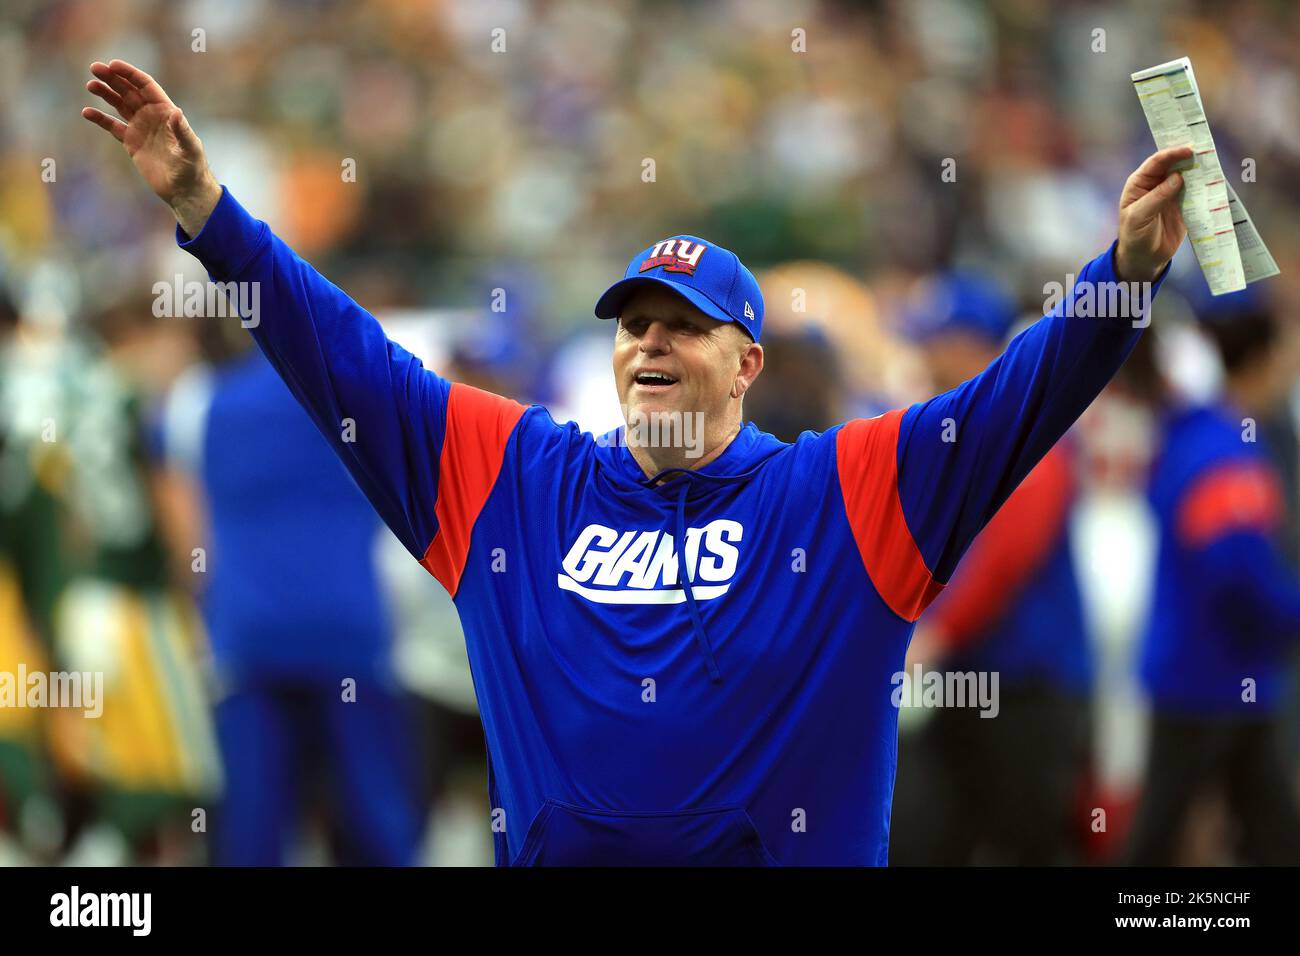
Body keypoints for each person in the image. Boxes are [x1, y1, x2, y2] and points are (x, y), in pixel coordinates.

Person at [83, 58, 1188, 865]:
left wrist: (1122, 276)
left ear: (746, 362)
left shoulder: (839, 494)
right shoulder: (518, 481)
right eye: (633, 324)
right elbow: (345, 359)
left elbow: (1014, 403)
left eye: (684, 326)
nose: (650, 342)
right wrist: (209, 216)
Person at [155, 342, 424, 865]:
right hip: (351, 631)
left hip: (247, 640)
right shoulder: (367, 396)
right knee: (379, 824)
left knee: (253, 831)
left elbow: (189, 538)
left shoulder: (200, 400)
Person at [891, 273, 1092, 865]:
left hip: (1025, 682)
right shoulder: (946, 433)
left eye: (936, 343)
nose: (925, 358)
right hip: (965, 676)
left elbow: (1006, 553)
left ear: (971, 346)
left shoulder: (1028, 424)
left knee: (1026, 839)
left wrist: (935, 635)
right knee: (938, 832)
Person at [1126, 287, 1300, 864]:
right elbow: (1235, 573)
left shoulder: (1195, 435)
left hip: (1210, 675)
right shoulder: (1226, 456)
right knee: (1165, 832)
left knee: (1265, 825)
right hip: (1210, 678)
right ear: (1263, 359)